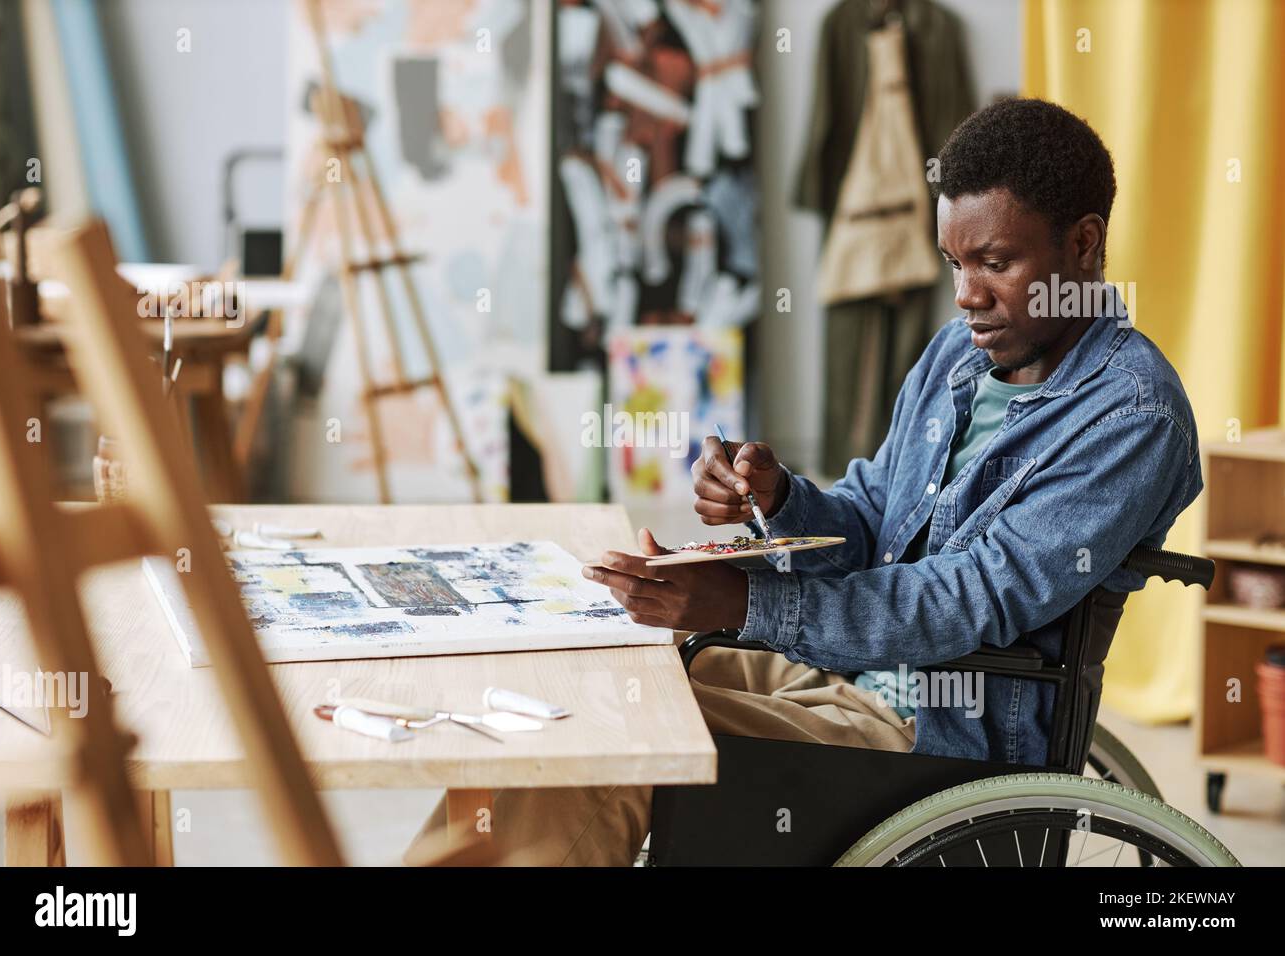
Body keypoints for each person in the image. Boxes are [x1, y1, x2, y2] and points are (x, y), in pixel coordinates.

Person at [405, 97, 1202, 866]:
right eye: (955, 263)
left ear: (1085, 245)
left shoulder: (1133, 418)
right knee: (581, 673)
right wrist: (779, 498)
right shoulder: (960, 357)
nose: (966, 294)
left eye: (996, 263)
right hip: (842, 672)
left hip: (931, 732)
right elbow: (871, 518)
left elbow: (967, 600)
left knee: (609, 738)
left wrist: (750, 603)